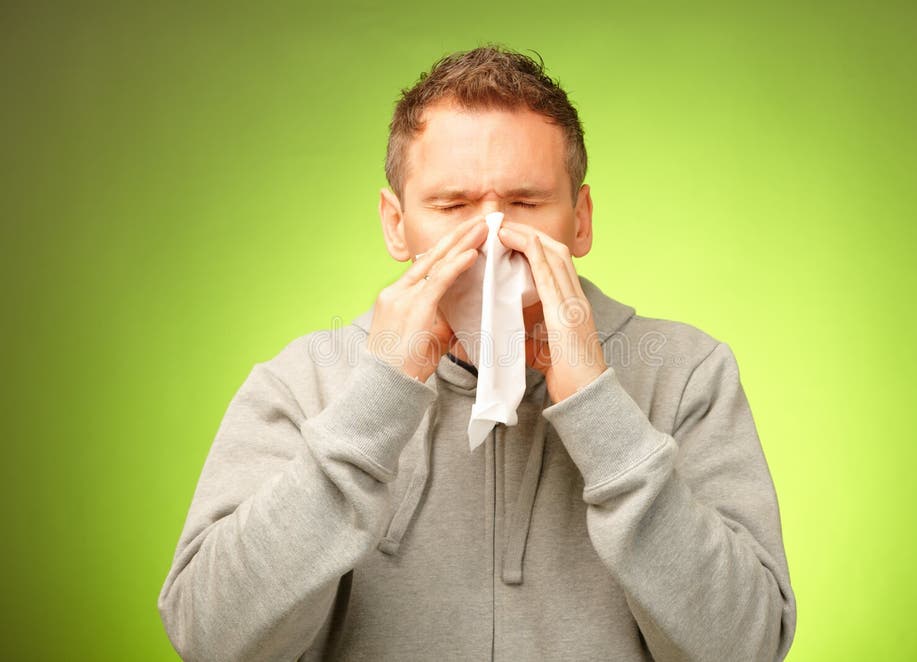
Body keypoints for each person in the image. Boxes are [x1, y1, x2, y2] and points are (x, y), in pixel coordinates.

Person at [157, 44, 797, 661]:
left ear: (581, 219)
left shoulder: (687, 375)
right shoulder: (304, 383)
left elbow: (747, 647)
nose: (491, 241)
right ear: (396, 223)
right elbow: (211, 640)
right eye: (451, 205)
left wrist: (600, 412)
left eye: (525, 202)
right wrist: (375, 402)